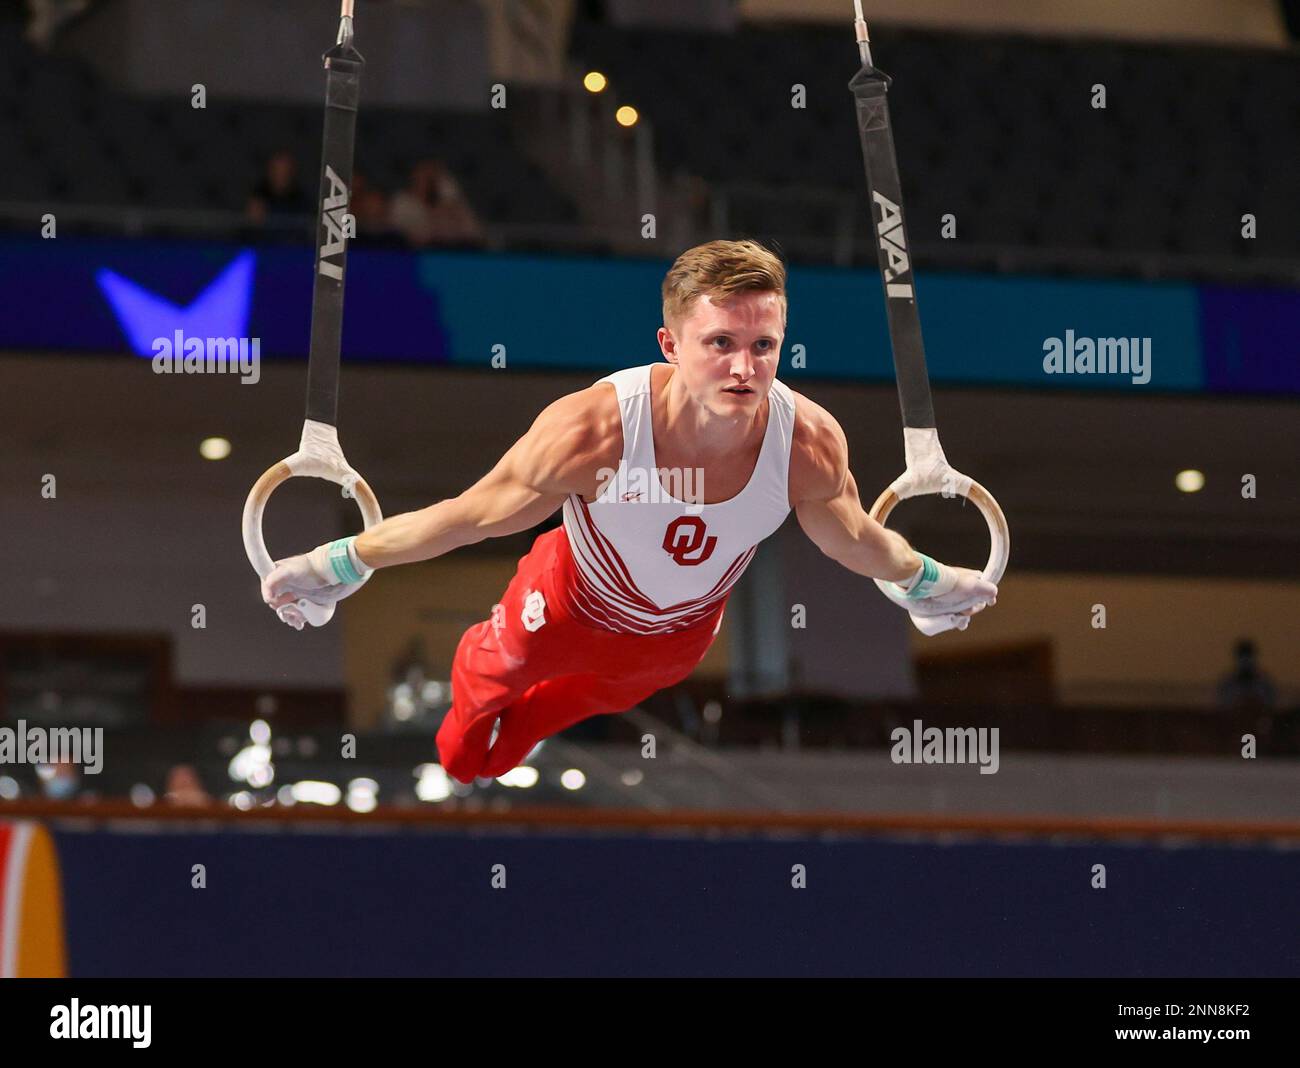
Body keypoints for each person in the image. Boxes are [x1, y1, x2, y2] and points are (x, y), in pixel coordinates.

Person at [260, 240, 998, 783]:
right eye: (720, 344)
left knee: (547, 721)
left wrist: (927, 580)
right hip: (562, 608)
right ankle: (463, 732)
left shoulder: (805, 443)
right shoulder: (598, 430)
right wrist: (342, 560)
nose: (745, 368)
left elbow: (858, 541)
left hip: (674, 644)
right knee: (469, 743)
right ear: (670, 344)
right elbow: (470, 515)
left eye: (763, 345)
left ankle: (510, 738)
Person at [388, 159, 483, 248]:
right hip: (411, 255)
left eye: (432, 177)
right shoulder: (402, 201)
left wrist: (450, 204)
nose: (427, 180)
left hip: (451, 253)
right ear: (414, 176)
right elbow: (396, 234)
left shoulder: (452, 204)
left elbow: (475, 234)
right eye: (423, 175)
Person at [246, 150, 311, 226]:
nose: (281, 177)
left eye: (285, 172)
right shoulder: (258, 197)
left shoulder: (302, 203)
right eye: (277, 171)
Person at [1216, 638, 1277, 710]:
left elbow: (1270, 706)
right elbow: (1223, 706)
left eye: (1248, 656)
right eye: (1242, 656)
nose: (1245, 661)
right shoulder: (1227, 686)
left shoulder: (1265, 685)